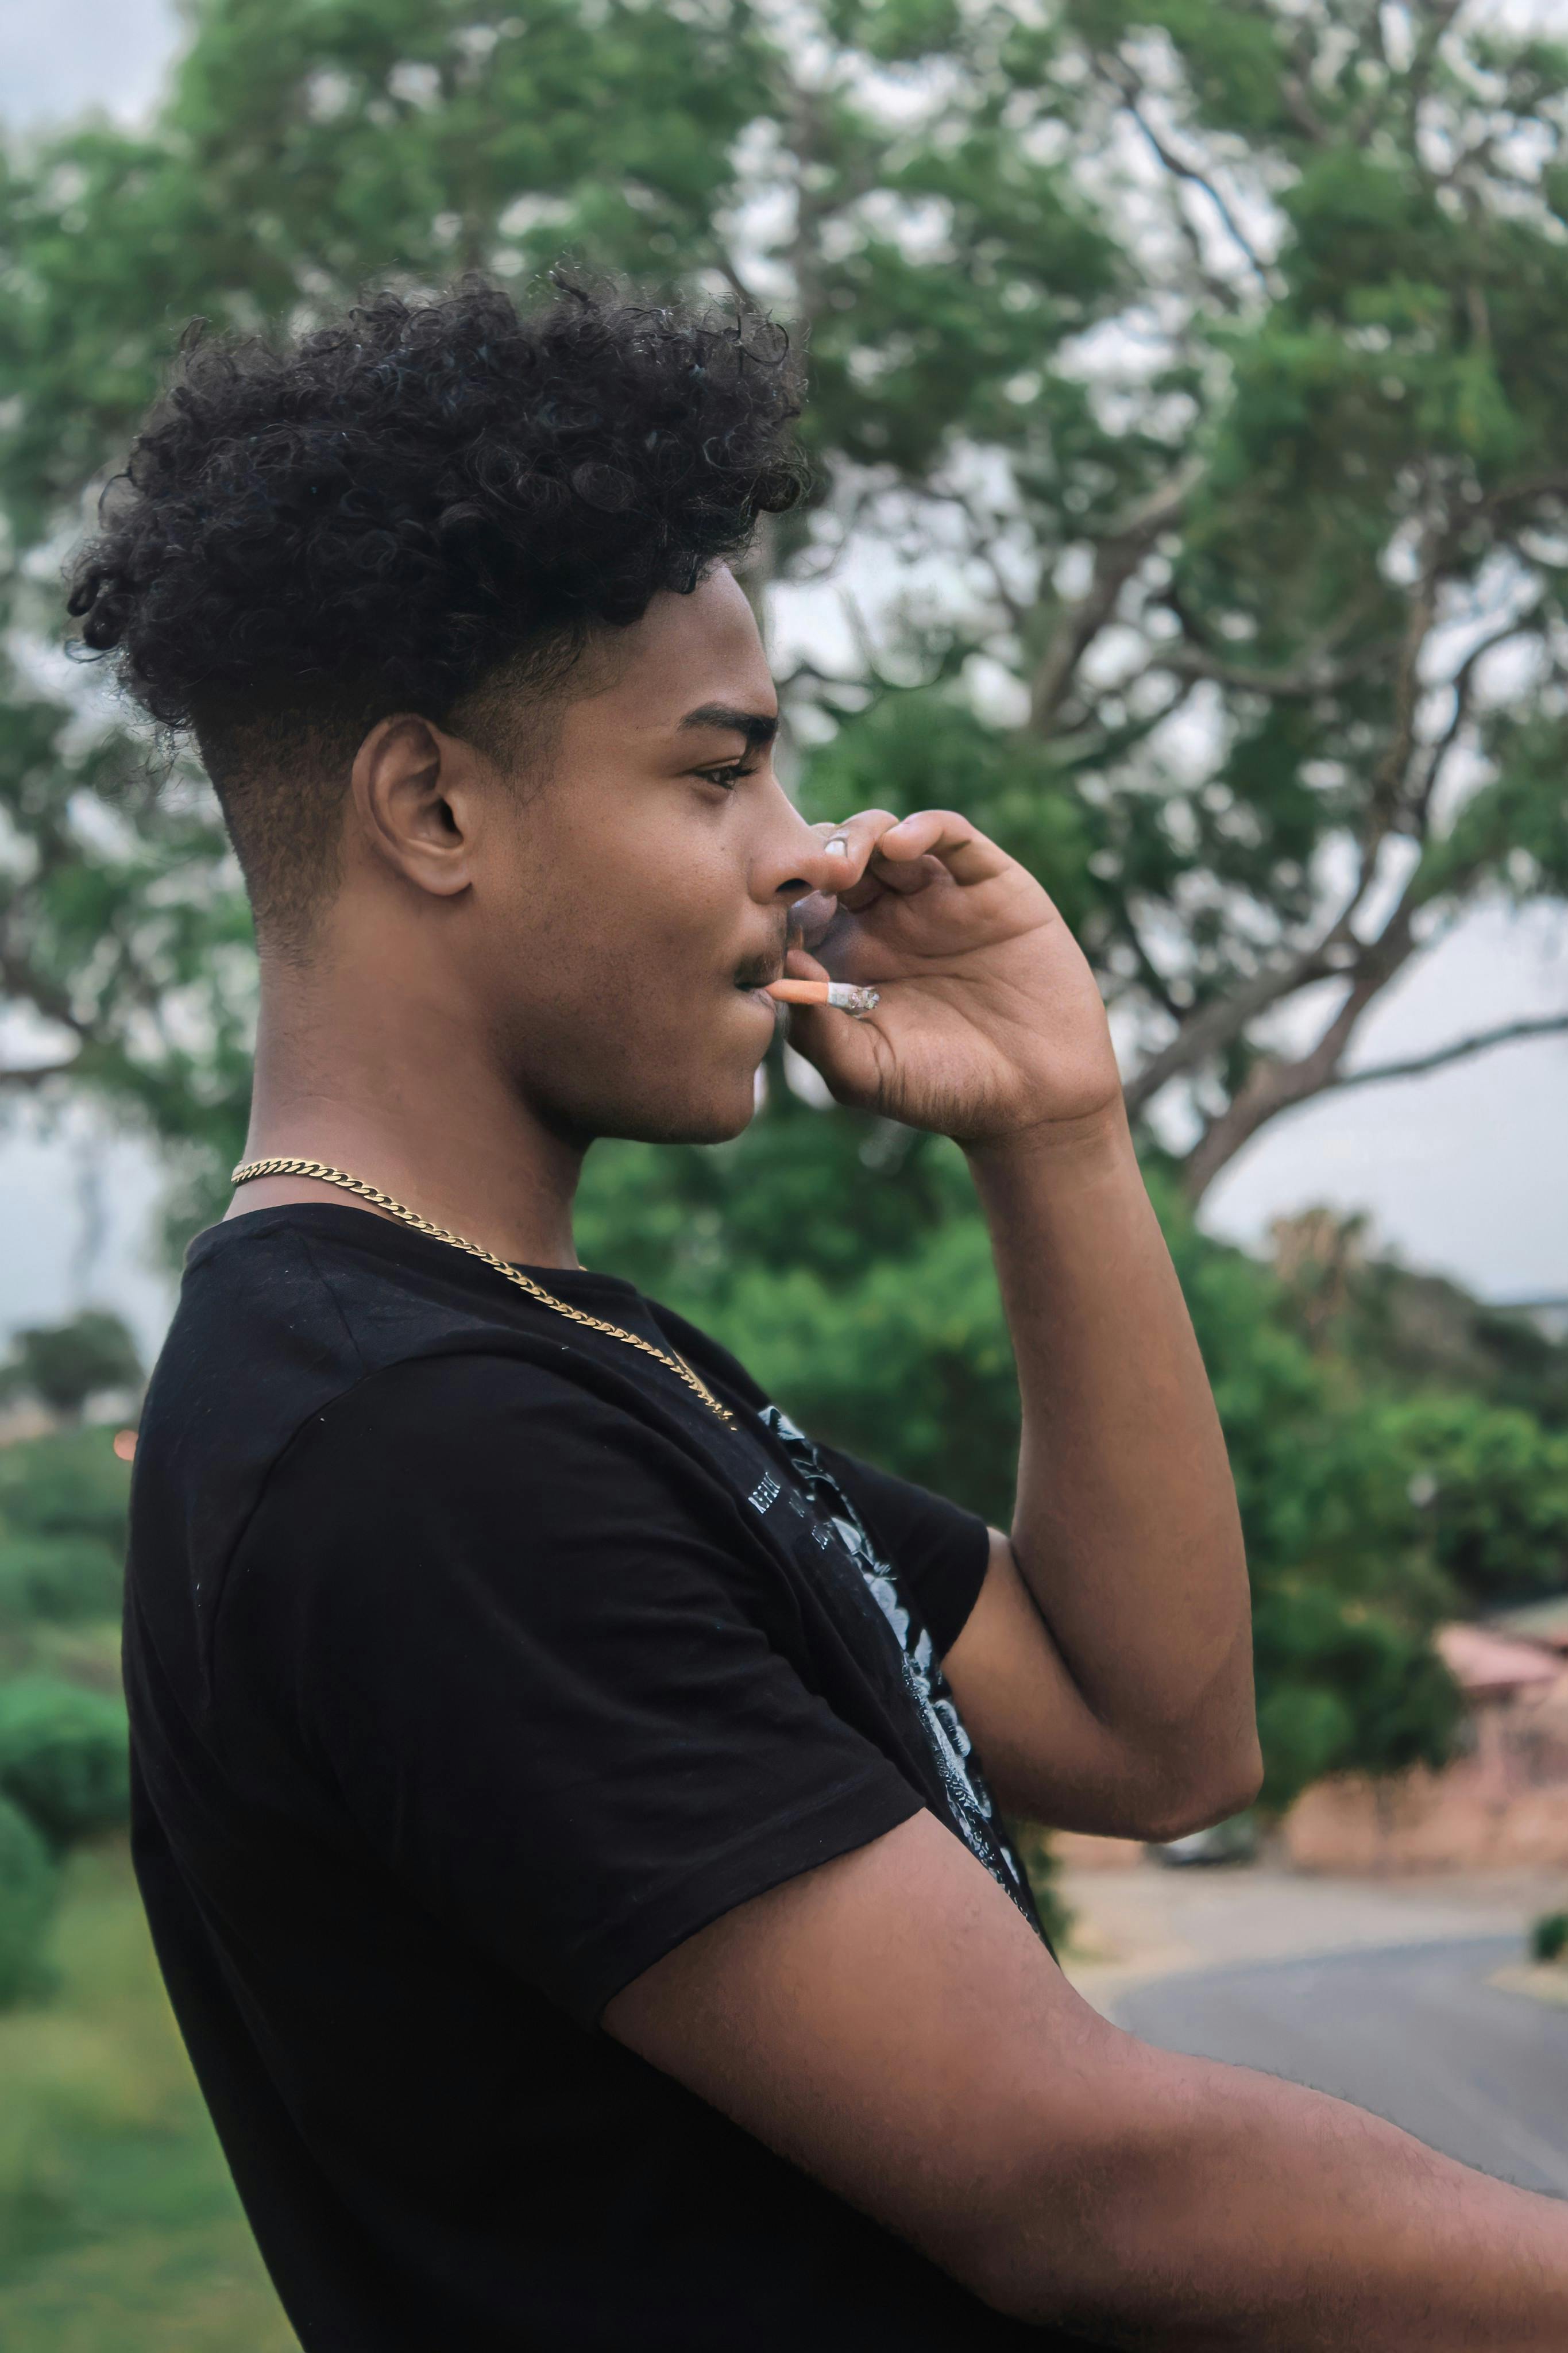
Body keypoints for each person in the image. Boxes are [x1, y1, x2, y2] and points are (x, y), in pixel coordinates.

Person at [73, 278, 1568, 2352]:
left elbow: (1159, 1738)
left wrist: (1057, 1131)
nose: (803, 860)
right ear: (430, 811)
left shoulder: (568, 1360)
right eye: (714, 775)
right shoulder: (413, 1447)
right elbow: (1082, 2185)